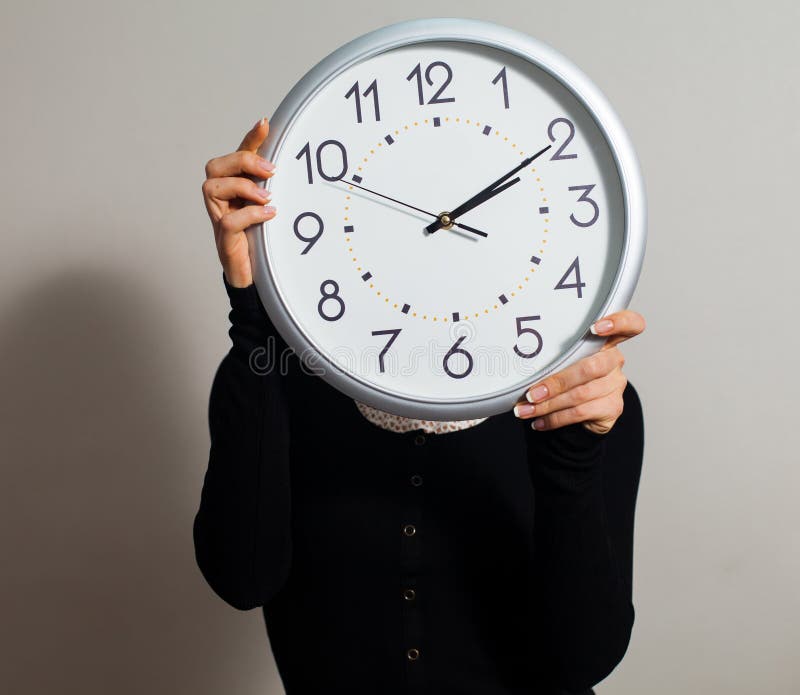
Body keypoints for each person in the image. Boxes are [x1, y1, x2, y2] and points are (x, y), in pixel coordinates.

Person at [193, 118, 646, 695]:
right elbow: (242, 578)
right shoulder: (278, 377)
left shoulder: (583, 402)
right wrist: (254, 314)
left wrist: (573, 457)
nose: (444, 227)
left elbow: (584, 658)